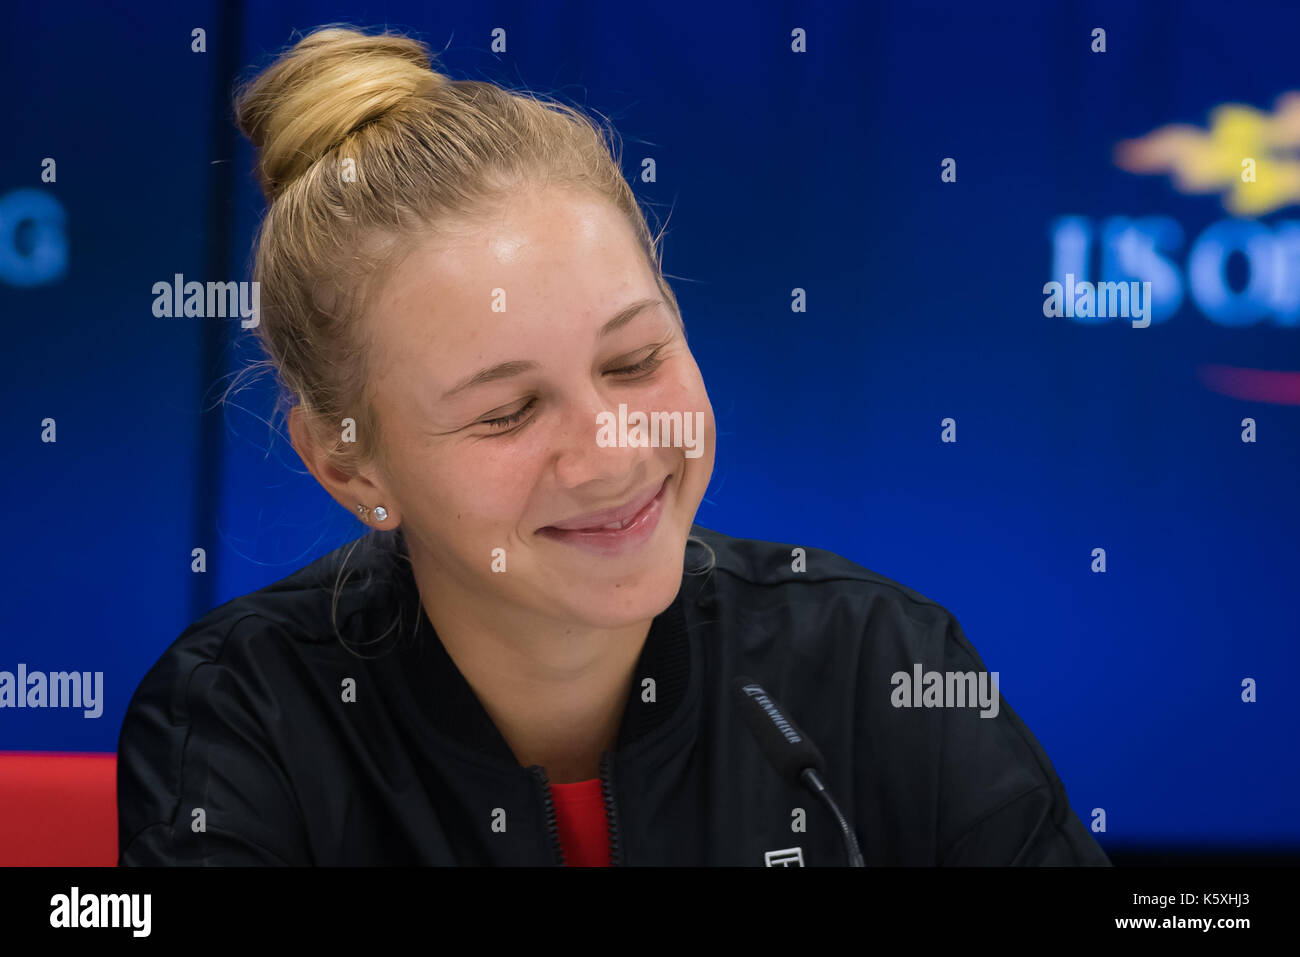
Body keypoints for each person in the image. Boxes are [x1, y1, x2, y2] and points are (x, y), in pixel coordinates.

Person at [116, 24, 1110, 867]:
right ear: (346, 463)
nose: (612, 451)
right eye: (506, 413)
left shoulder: (877, 662)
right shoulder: (240, 716)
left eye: (633, 361)